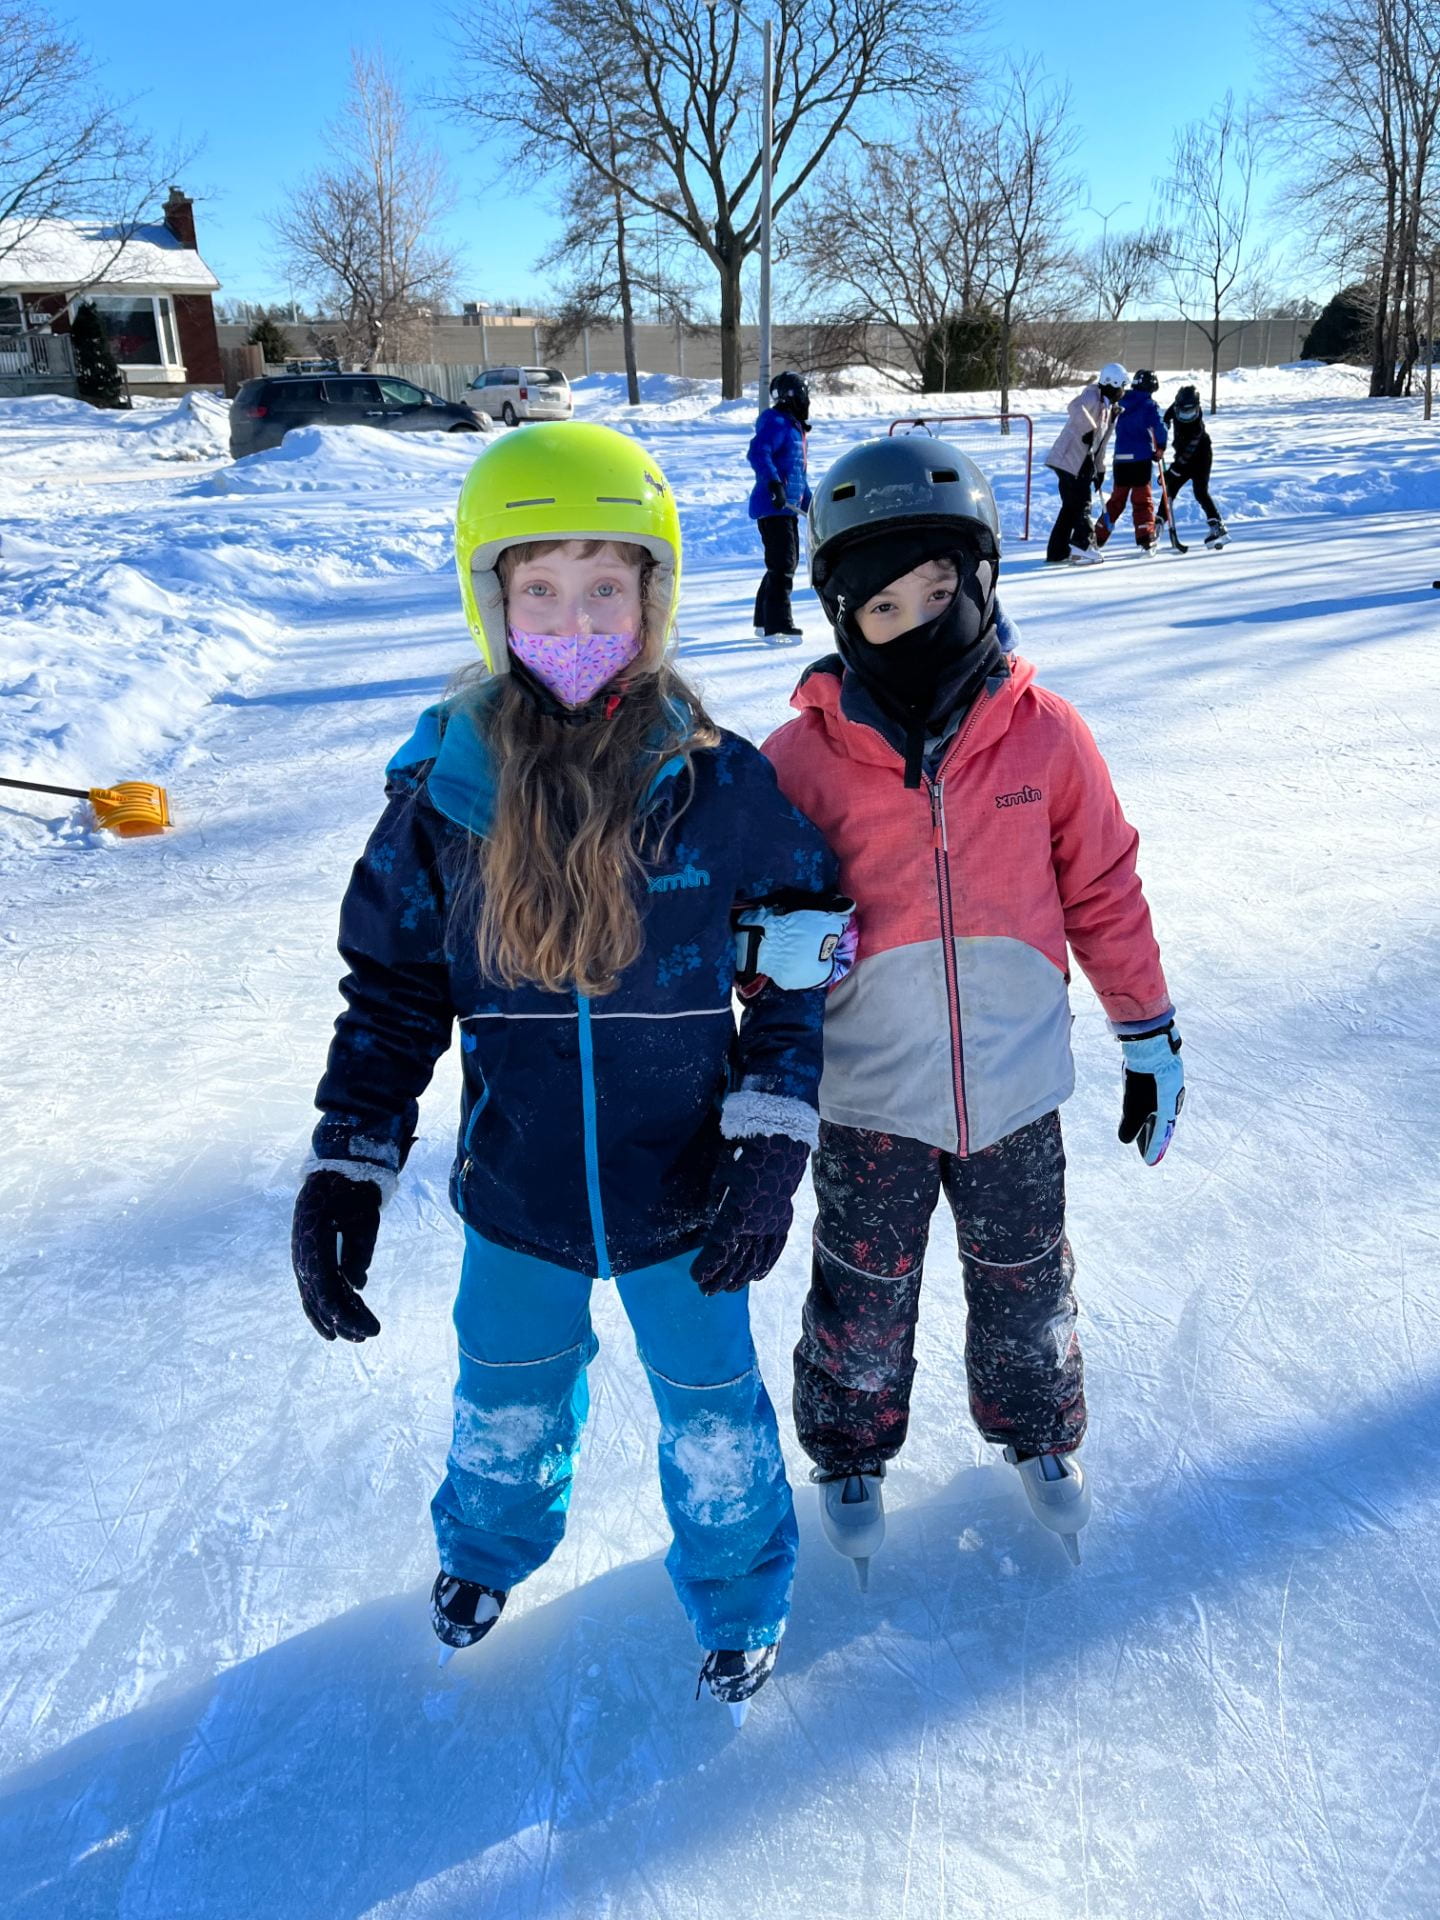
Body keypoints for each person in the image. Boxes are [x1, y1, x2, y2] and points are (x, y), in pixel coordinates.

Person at [290, 422, 849, 1719]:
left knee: (715, 1421)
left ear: (652, 600)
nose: (575, 617)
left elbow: (796, 964)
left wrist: (770, 1140)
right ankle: (484, 1556)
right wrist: (348, 1164)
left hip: (687, 1193)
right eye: (539, 588)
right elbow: (390, 994)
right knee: (505, 1403)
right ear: (491, 602)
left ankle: (740, 1596)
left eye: (607, 587)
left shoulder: (717, 784)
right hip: (521, 1193)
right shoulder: (446, 795)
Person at [759, 435, 1184, 1578]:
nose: (922, 620)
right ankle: (849, 1447)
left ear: (985, 579)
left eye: (943, 590)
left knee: (1025, 1276)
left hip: (1014, 1091)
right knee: (861, 1284)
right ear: (846, 616)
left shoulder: (1046, 735)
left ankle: (1038, 1430)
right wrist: (762, 946)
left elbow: (1102, 884)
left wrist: (1145, 1028)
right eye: (887, 605)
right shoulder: (798, 763)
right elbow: (737, 927)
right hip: (869, 1098)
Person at [747, 370, 812, 642]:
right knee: (783, 565)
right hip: (774, 505)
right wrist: (774, 485)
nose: (807, 400)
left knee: (782, 563)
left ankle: (763, 621)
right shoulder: (776, 422)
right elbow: (758, 452)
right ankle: (778, 625)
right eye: (804, 394)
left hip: (787, 507)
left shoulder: (794, 428)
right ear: (792, 396)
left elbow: (798, 475)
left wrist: (813, 505)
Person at [1043, 362, 1128, 565]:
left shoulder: (1109, 410)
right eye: (1121, 387)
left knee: (1070, 507)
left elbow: (1100, 444)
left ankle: (1057, 550)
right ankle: (1082, 545)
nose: (1123, 392)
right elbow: (1074, 407)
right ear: (1111, 383)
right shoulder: (1092, 396)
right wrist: (1088, 428)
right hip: (1068, 459)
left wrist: (1100, 471)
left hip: (1080, 462)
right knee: (1082, 503)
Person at [1096, 368, 1167, 553]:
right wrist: (1161, 447)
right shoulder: (1149, 404)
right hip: (1140, 459)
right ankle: (1145, 536)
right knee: (1142, 500)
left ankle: (1098, 534)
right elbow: (1159, 427)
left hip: (1120, 459)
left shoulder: (1120, 401)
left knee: (1117, 500)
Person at [1161, 383, 1229, 547]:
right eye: (1183, 411)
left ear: (1197, 408)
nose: (1186, 415)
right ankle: (1157, 523)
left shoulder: (1196, 427)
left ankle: (1217, 527)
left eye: (1190, 411)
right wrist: (1165, 421)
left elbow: (1188, 454)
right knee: (1170, 490)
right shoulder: (1177, 408)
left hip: (1200, 457)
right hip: (1182, 456)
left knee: (1200, 491)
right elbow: (1168, 414)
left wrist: (1173, 470)